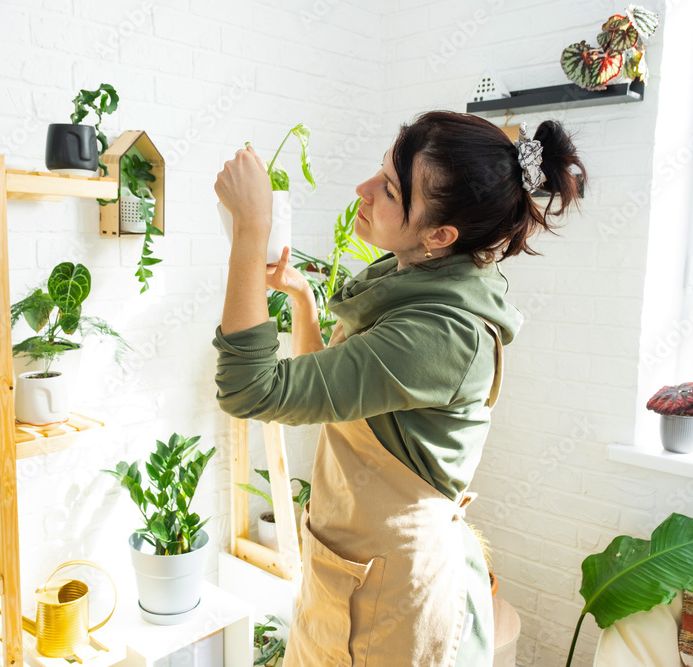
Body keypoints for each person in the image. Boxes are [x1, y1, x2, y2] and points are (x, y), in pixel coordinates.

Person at [212, 111, 586, 666]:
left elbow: (250, 391)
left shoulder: (440, 332)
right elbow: (335, 403)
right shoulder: (411, 284)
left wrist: (250, 229)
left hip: (396, 603)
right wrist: (302, 302)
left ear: (440, 235)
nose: (363, 190)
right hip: (347, 570)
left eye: (389, 188)